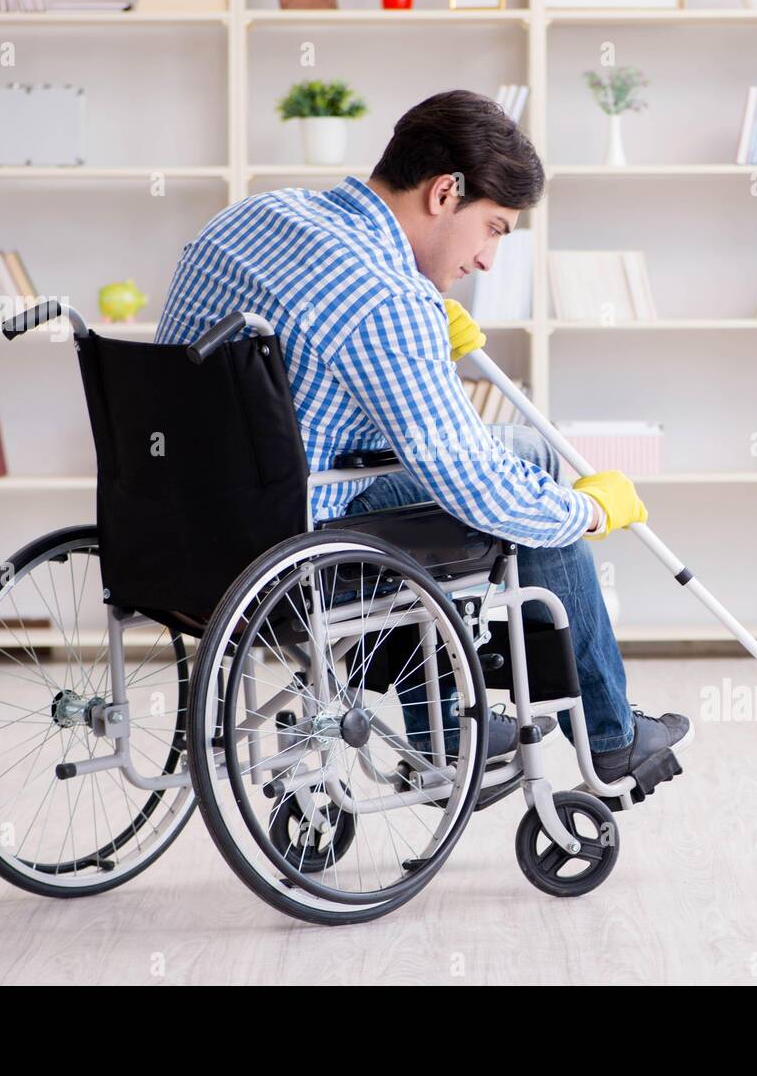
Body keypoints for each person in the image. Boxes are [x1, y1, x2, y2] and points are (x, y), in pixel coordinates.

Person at [156, 89, 691, 785]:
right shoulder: (386, 296)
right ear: (444, 193)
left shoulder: (251, 217)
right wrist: (585, 513)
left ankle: (450, 725)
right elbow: (475, 485)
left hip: (175, 532)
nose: (489, 259)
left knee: (489, 465)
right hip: (290, 555)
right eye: (493, 228)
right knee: (521, 479)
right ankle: (606, 734)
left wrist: (428, 334)